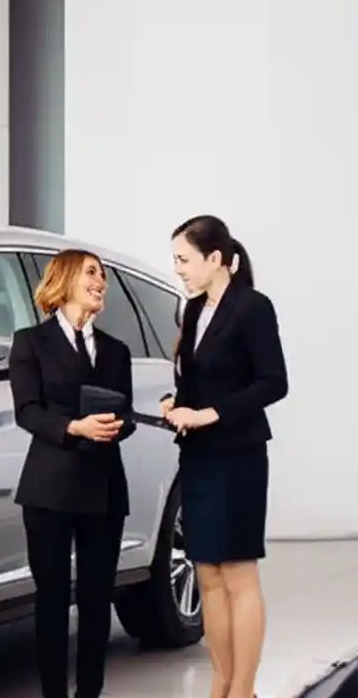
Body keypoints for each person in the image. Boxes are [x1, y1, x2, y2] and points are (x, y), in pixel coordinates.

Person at [162, 215, 287, 698]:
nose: (177, 269)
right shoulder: (194, 310)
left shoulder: (252, 307)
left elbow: (273, 382)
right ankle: (221, 683)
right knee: (207, 572)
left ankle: (243, 689)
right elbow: (196, 380)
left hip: (238, 455)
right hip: (198, 456)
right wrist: (176, 404)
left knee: (237, 572)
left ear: (215, 258)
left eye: (183, 259)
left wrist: (210, 414)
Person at [9, 249, 138, 698]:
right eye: (91, 272)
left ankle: (89, 693)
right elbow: (27, 411)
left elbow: (126, 413)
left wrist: (117, 425)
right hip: (49, 489)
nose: (101, 281)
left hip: (104, 490)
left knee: (97, 600)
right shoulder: (30, 343)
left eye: (103, 275)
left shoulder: (117, 351)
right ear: (64, 280)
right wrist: (74, 427)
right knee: (51, 600)